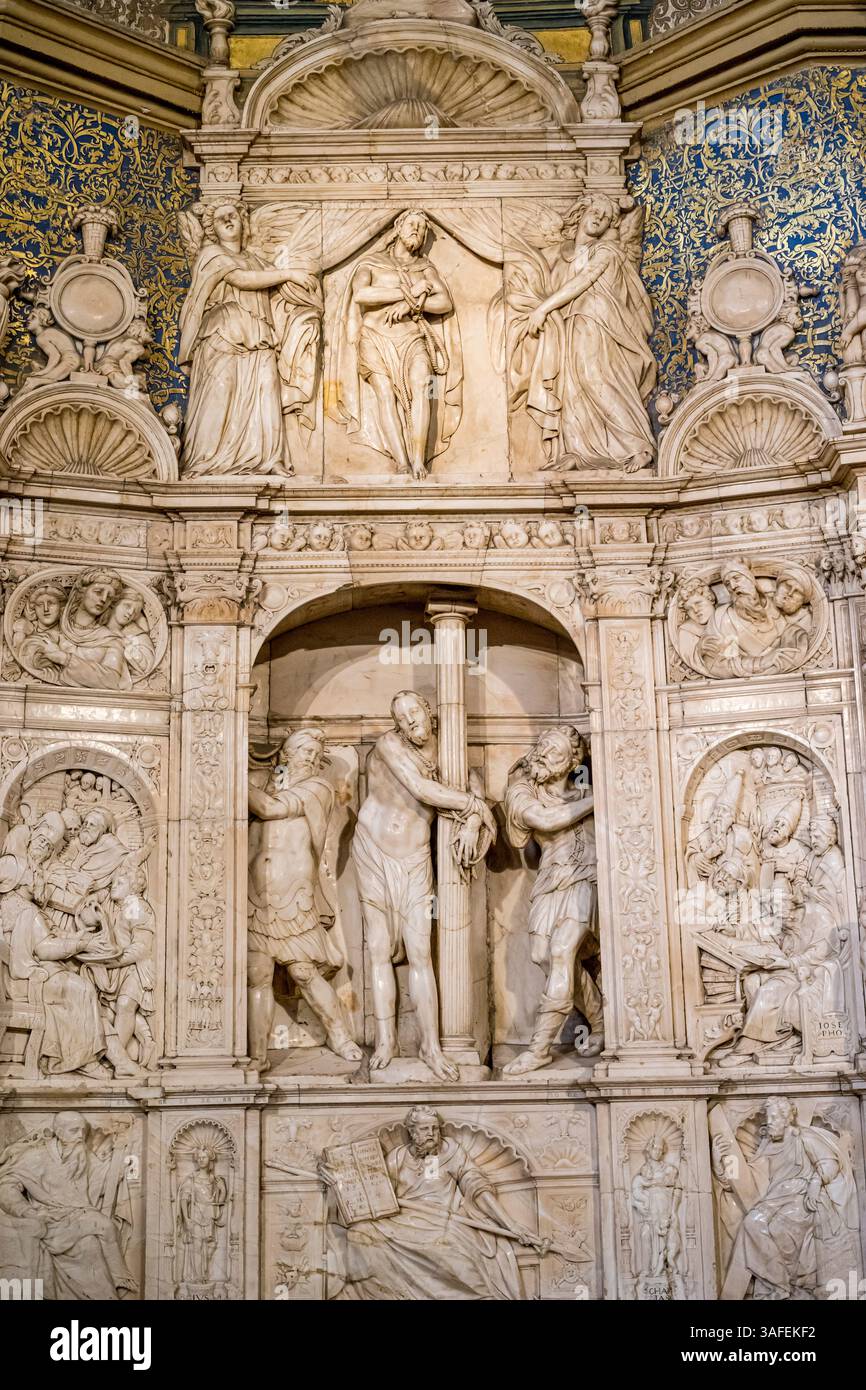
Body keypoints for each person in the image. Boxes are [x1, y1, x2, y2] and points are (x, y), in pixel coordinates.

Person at [351, 692, 494, 1080]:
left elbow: (475, 788)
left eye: (414, 712)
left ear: (429, 712)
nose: (409, 722)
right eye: (401, 717)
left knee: (420, 952)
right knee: (379, 949)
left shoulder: (450, 753)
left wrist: (475, 818)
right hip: (373, 850)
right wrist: (474, 808)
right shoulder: (389, 745)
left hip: (415, 857)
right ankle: (386, 1041)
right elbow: (420, 788)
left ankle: (431, 1044)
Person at [323, 1106, 539, 1301]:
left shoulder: (451, 1151)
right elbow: (373, 1197)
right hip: (401, 1220)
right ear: (412, 1132)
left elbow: (477, 1187)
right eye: (425, 1129)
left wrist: (510, 1224)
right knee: (360, 1233)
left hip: (443, 1219)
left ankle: (478, 1296)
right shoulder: (397, 1157)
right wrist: (338, 1185)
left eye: (435, 1129)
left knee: (446, 1246)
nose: (432, 1135)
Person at [248, 728, 361, 1068]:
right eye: (303, 750)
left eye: (315, 752)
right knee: (258, 974)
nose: (310, 757)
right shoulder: (264, 784)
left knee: (303, 970)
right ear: (285, 754)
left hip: (292, 894)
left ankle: (340, 1035)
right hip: (256, 895)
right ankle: (257, 1056)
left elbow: (269, 808)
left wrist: (224, 771)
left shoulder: (318, 789)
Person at [522, 194, 656, 472]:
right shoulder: (568, 254)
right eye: (595, 211)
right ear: (581, 213)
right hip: (576, 323)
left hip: (600, 322)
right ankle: (580, 451)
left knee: (596, 379)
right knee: (572, 385)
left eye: (606, 217)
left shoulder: (606, 251)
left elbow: (584, 282)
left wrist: (543, 309)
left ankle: (638, 445)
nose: (599, 218)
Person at [179, 201, 307, 476]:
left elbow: (278, 287)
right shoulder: (211, 254)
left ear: (242, 221)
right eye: (219, 218)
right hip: (222, 332)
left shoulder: (257, 262)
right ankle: (206, 459)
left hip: (258, 336)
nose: (227, 220)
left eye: (232, 215)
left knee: (267, 387)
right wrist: (288, 274)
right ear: (211, 230)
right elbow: (242, 280)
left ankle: (268, 459)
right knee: (221, 389)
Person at [331, 210, 462, 478]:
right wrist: (408, 292)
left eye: (422, 228)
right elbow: (362, 295)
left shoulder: (425, 268)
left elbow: (444, 303)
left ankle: (417, 459)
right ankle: (401, 461)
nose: (417, 230)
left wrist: (410, 304)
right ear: (398, 227)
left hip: (412, 338)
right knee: (383, 391)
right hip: (375, 338)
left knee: (423, 384)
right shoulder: (372, 263)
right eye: (412, 224)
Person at [502, 726, 602, 1075]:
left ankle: (538, 1048)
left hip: (585, 878)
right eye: (542, 745)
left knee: (561, 952)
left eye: (556, 751)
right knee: (543, 956)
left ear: (572, 762)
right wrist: (603, 799)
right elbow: (545, 820)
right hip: (549, 879)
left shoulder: (585, 789)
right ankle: (599, 1020)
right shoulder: (522, 791)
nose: (545, 753)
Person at [0, 1112, 136, 1300]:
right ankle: (119, 1281)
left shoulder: (82, 1156)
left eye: (83, 1131)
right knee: (101, 1229)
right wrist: (28, 1212)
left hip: (77, 1219)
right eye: (74, 1131)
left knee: (92, 1242)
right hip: (47, 1220)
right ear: (58, 1131)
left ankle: (113, 1287)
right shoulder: (34, 1157)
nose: (80, 1136)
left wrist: (122, 1157)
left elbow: (102, 1178)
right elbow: (6, 1189)